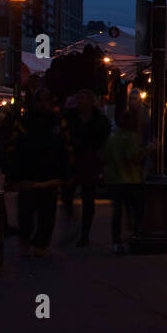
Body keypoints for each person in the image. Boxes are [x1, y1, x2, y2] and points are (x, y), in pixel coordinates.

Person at [7, 88, 68, 256]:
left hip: (50, 176)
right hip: (28, 175)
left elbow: (65, 148)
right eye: (40, 100)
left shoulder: (58, 122)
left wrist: (66, 173)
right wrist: (11, 174)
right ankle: (26, 240)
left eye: (46, 100)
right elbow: (13, 147)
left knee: (47, 215)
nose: (43, 103)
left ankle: (41, 245)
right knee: (25, 214)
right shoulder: (24, 121)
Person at [61, 89, 112, 247]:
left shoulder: (100, 120)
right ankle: (72, 219)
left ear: (91, 101)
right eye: (79, 98)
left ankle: (84, 234)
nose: (81, 102)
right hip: (72, 160)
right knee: (67, 194)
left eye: (84, 98)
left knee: (88, 198)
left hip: (90, 162)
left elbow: (104, 140)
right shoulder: (70, 117)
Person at [103, 103, 149, 253]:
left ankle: (116, 241)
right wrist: (148, 150)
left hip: (114, 179)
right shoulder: (132, 137)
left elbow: (105, 156)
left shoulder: (112, 137)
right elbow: (132, 156)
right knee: (137, 210)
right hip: (131, 179)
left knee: (118, 212)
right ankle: (135, 236)